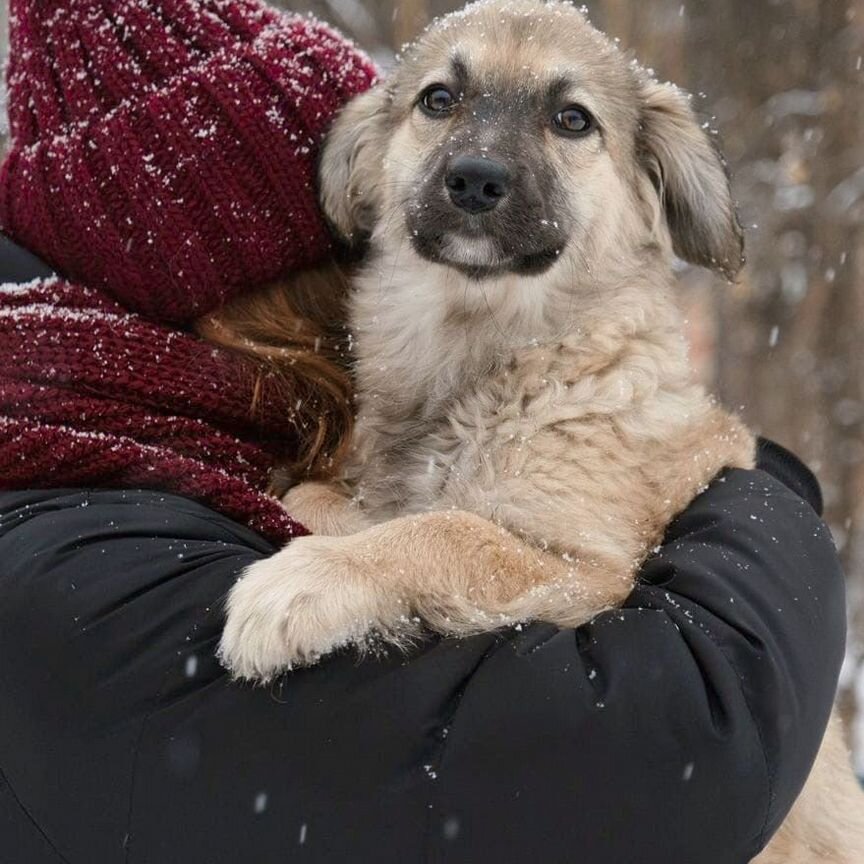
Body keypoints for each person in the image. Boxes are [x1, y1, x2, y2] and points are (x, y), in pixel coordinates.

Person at [0, 1, 848, 862]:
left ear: (648, 186)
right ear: (361, 176)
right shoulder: (88, 555)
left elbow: (610, 615)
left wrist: (385, 553)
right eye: (441, 102)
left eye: (569, 120)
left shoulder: (591, 402)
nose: (482, 162)